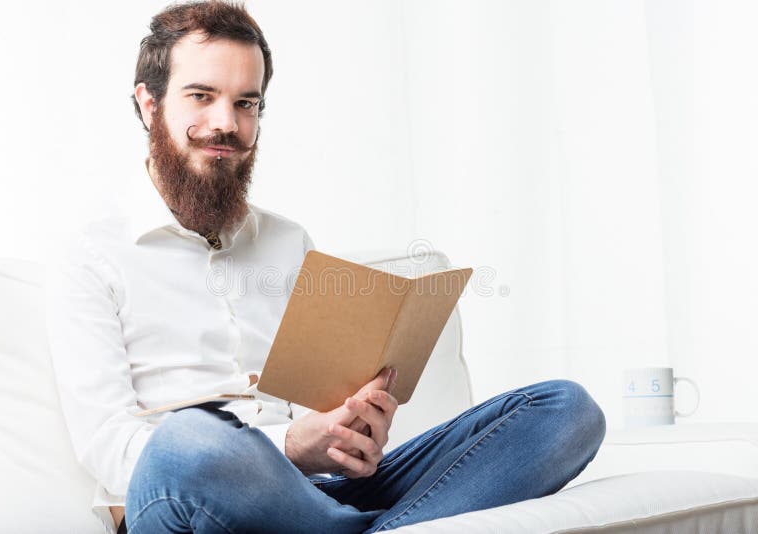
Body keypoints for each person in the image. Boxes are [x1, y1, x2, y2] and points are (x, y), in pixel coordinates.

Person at [46, 2, 606, 533]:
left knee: (564, 410)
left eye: (246, 103)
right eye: (201, 96)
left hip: (313, 497)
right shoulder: (91, 251)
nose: (226, 124)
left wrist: (350, 427)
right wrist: (288, 444)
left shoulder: (288, 242)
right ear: (149, 104)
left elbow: (317, 412)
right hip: (185, 498)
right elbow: (108, 447)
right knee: (190, 436)